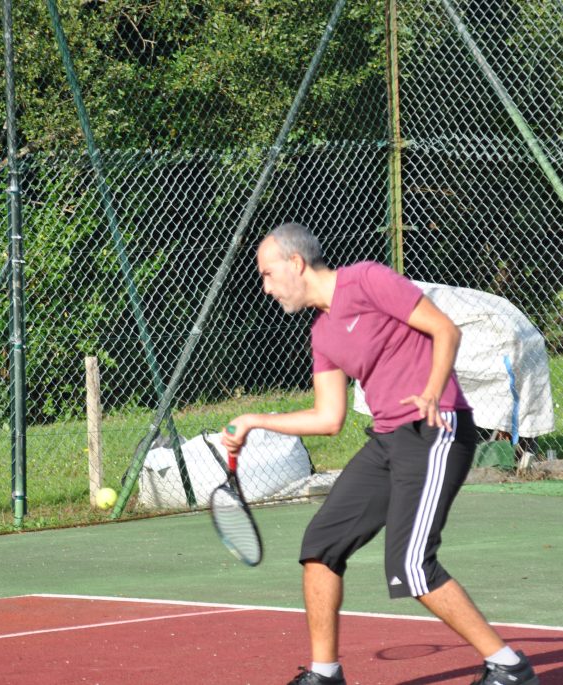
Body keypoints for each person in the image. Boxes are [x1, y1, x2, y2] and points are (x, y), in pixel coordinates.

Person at [221, 223, 539, 685]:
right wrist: (254, 420)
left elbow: (445, 330)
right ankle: (325, 675)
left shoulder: (367, 280)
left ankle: (509, 667)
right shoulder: (323, 333)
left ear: (296, 263)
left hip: (435, 430)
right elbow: (328, 417)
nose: (266, 288)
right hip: (388, 440)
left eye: (267, 274)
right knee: (320, 547)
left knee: (411, 565)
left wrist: (433, 390)